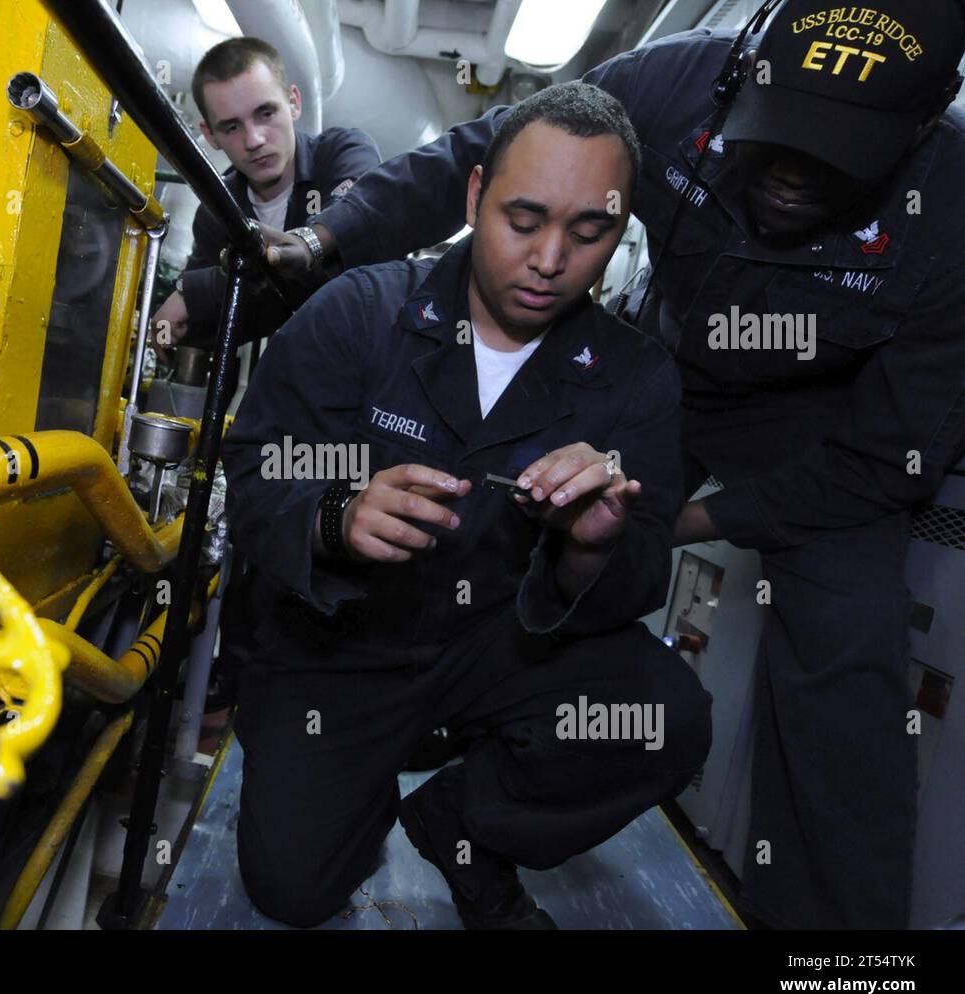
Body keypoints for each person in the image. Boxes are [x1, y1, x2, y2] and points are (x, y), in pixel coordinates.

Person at [261, 0, 965, 930]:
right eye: (779, 135)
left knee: (849, 641)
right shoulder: (676, 81)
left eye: (834, 156)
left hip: (811, 421)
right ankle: (437, 713)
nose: (792, 176)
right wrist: (328, 236)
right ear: (745, 70)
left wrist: (667, 522)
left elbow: (886, 461)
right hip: (665, 362)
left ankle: (841, 957)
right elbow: (497, 147)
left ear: (920, 129)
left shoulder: (950, 213)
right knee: (532, 529)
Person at [220, 83, 712, 930]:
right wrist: (337, 516)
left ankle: (462, 821)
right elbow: (259, 472)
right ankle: (354, 785)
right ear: (476, 194)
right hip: (343, 644)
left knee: (661, 717)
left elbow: (637, 581)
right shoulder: (360, 314)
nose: (550, 258)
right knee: (292, 889)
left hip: (501, 640)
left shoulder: (638, 379)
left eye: (588, 233)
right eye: (524, 219)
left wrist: (591, 546)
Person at [149, 36, 379, 353]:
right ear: (210, 136)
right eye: (232, 127)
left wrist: (193, 291)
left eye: (266, 113)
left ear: (293, 102)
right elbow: (217, 324)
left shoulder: (343, 154)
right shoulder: (216, 213)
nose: (254, 140)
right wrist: (180, 323)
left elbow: (345, 237)